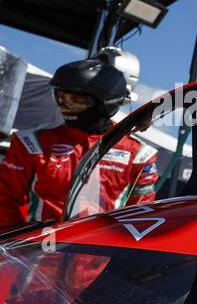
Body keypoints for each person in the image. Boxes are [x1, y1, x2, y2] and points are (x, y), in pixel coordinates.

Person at [0, 57, 157, 232]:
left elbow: (141, 217)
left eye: (75, 100)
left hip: (103, 255)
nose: (64, 106)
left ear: (105, 102)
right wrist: (20, 250)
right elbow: (4, 200)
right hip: (39, 253)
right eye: (60, 98)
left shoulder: (139, 154)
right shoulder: (32, 143)